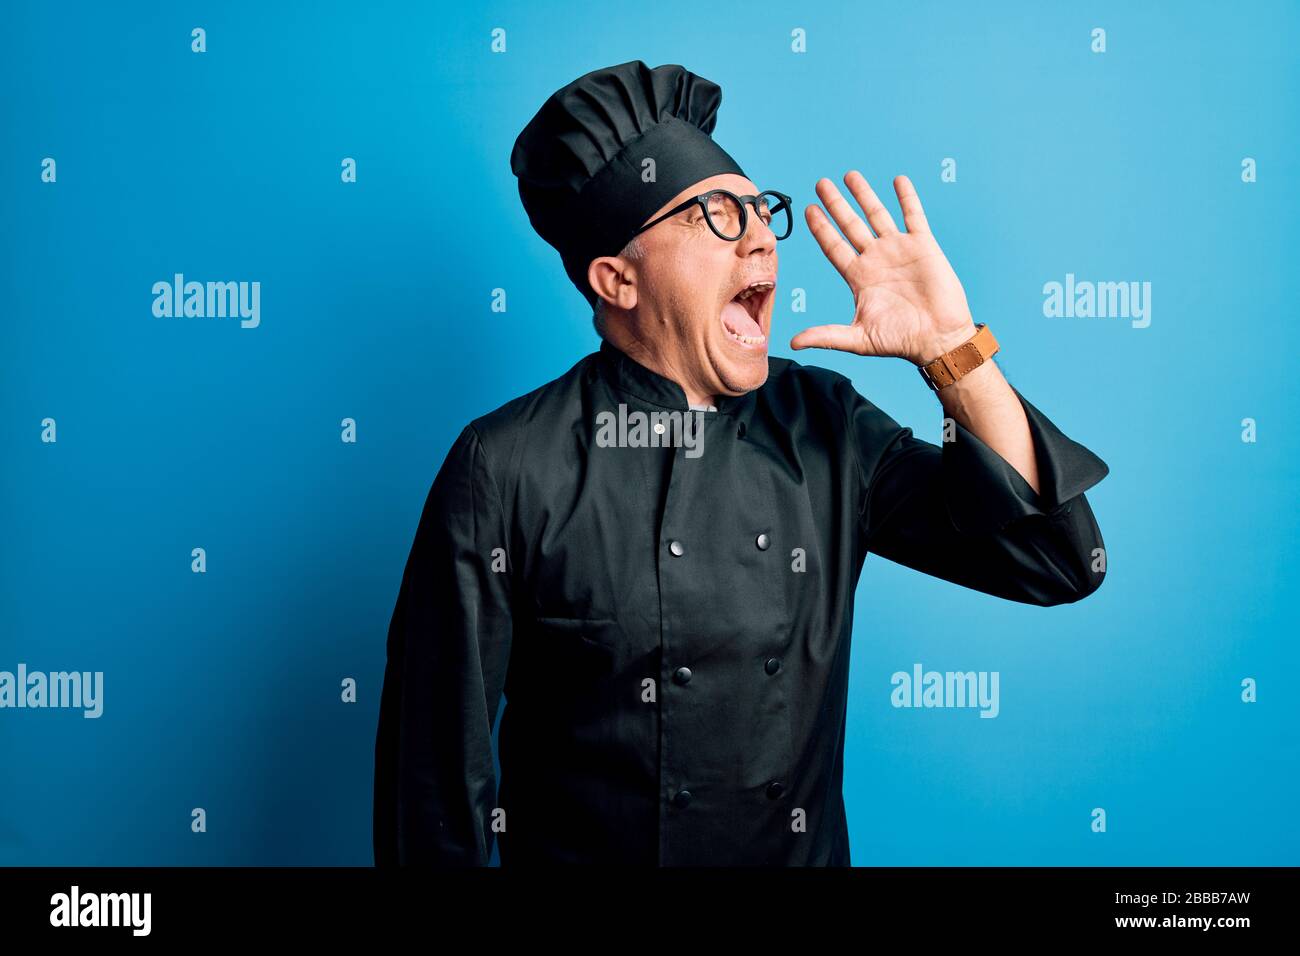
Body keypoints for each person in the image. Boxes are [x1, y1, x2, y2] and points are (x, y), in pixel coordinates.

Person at [372, 60, 1110, 866]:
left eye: (760, 210)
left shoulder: (822, 425)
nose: (760, 236)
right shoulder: (506, 465)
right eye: (714, 215)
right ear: (617, 279)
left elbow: (1055, 560)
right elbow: (434, 793)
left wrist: (951, 351)